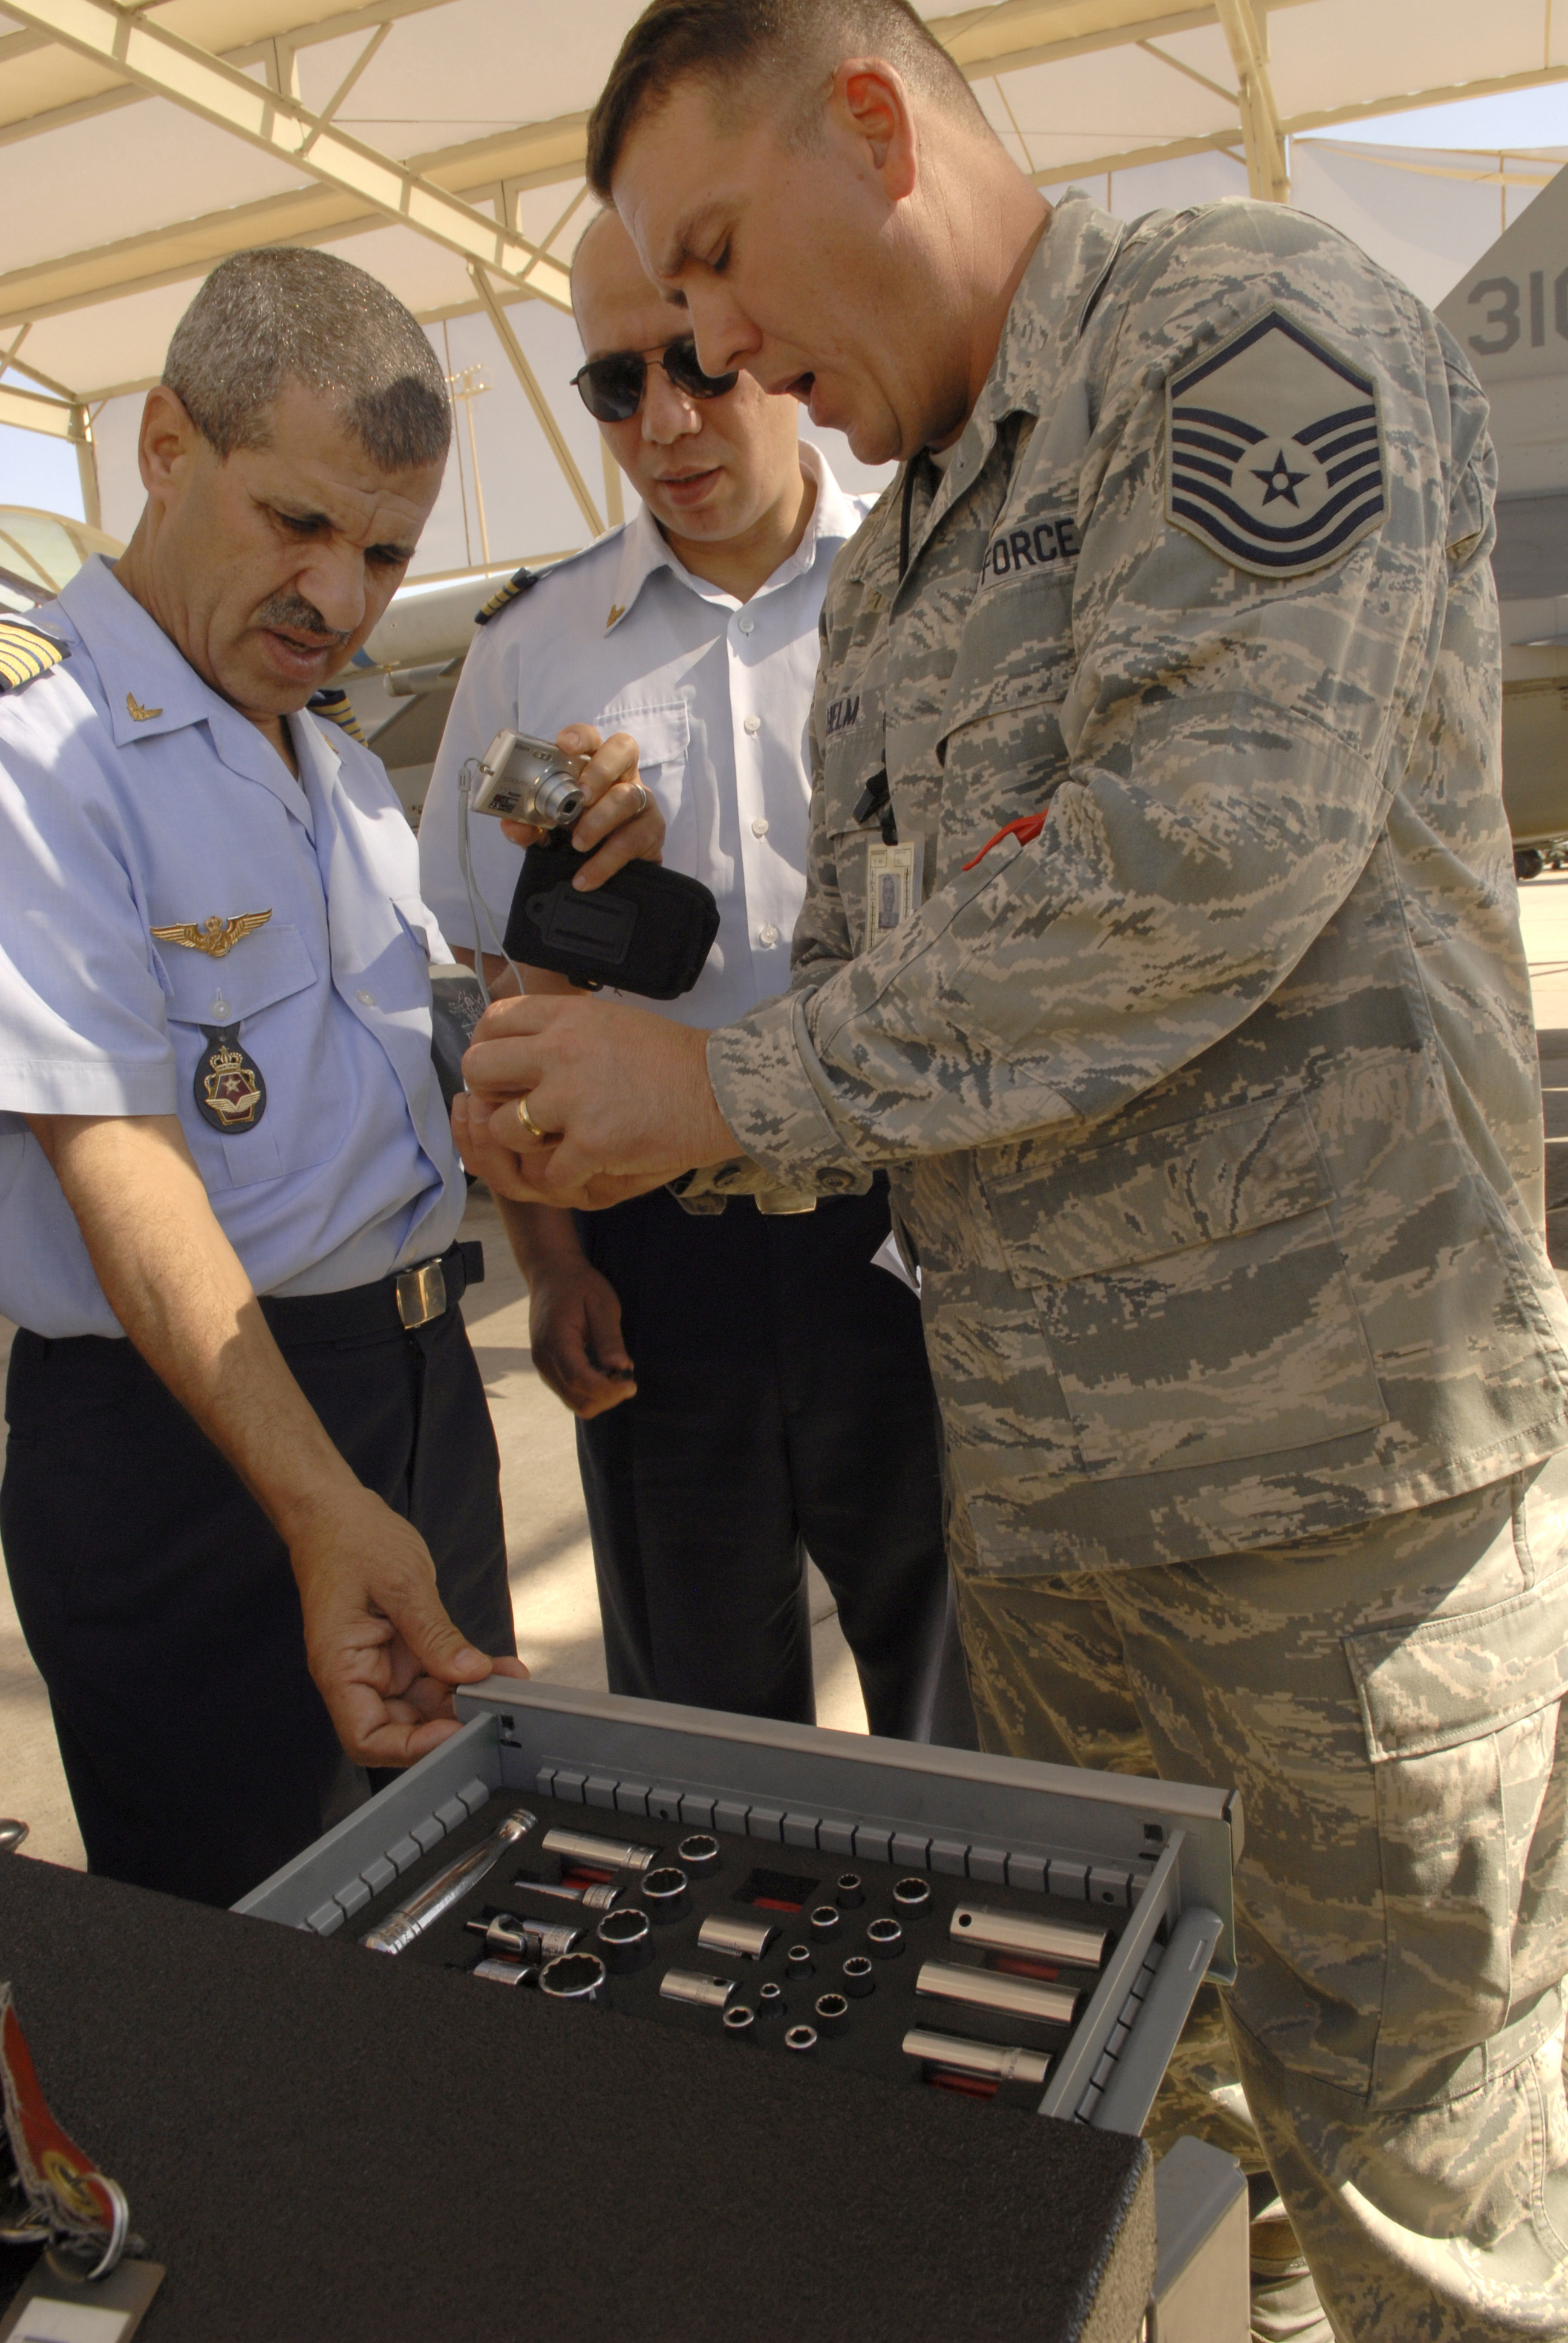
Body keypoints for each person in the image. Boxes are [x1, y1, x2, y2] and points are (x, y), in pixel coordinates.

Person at [453, 2, 1568, 2335]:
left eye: (722, 263)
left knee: (1423, 2191)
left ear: (878, 128)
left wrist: (729, 1092)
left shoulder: (1237, 328)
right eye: (661, 318)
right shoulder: (896, 575)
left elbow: (1211, 850)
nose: (710, 346)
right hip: (1053, 1536)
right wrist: (629, 1076)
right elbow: (903, 1027)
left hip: (1333, 1518)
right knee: (1151, 2145)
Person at [0, 246, 655, 1908]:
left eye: (383, 553)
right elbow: (117, 1152)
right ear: (164, 446)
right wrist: (315, 1507)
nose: (341, 599)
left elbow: (388, 1064)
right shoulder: (46, 746)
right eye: (297, 524)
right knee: (256, 1969)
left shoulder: (339, 763)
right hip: (199, 1444)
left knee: (459, 1911)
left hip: (413, 1398)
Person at [421, 207, 972, 1743]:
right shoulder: (532, 656)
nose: (663, 420)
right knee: (708, 1738)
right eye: (613, 384)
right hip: (653, 1262)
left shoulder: (936, 593)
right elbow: (503, 997)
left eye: (692, 367)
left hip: (909, 1234)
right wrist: (551, 1264)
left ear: (771, 348)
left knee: (968, 1700)